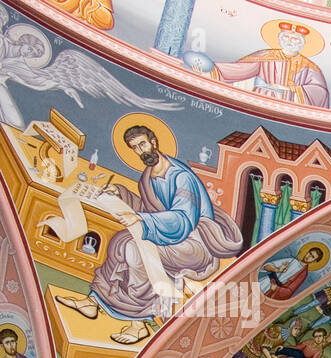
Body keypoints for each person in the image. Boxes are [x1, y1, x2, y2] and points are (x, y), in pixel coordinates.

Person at [53, 125, 244, 346]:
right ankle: (93, 301)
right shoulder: (149, 177)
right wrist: (122, 194)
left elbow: (183, 219)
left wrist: (144, 221)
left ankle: (138, 322)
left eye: (142, 144)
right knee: (119, 241)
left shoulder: (181, 177)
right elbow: (148, 208)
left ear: (153, 141)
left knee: (137, 250)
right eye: (135, 148)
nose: (141, 151)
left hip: (195, 244)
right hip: (168, 234)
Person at [204, 22, 330, 107]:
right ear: (280, 38)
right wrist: (213, 69)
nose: (290, 41)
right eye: (286, 37)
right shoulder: (265, 56)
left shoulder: (309, 67)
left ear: (302, 43)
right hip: (261, 100)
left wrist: (290, 89)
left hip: (289, 106)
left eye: (295, 39)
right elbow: (241, 69)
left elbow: (320, 91)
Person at [259, 244, 326, 301]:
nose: (308, 256)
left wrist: (276, 288)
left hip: (272, 290)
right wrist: (277, 269)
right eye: (310, 253)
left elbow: (289, 291)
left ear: (314, 261)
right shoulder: (292, 261)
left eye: (312, 257)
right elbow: (265, 266)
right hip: (264, 282)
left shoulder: (303, 274)